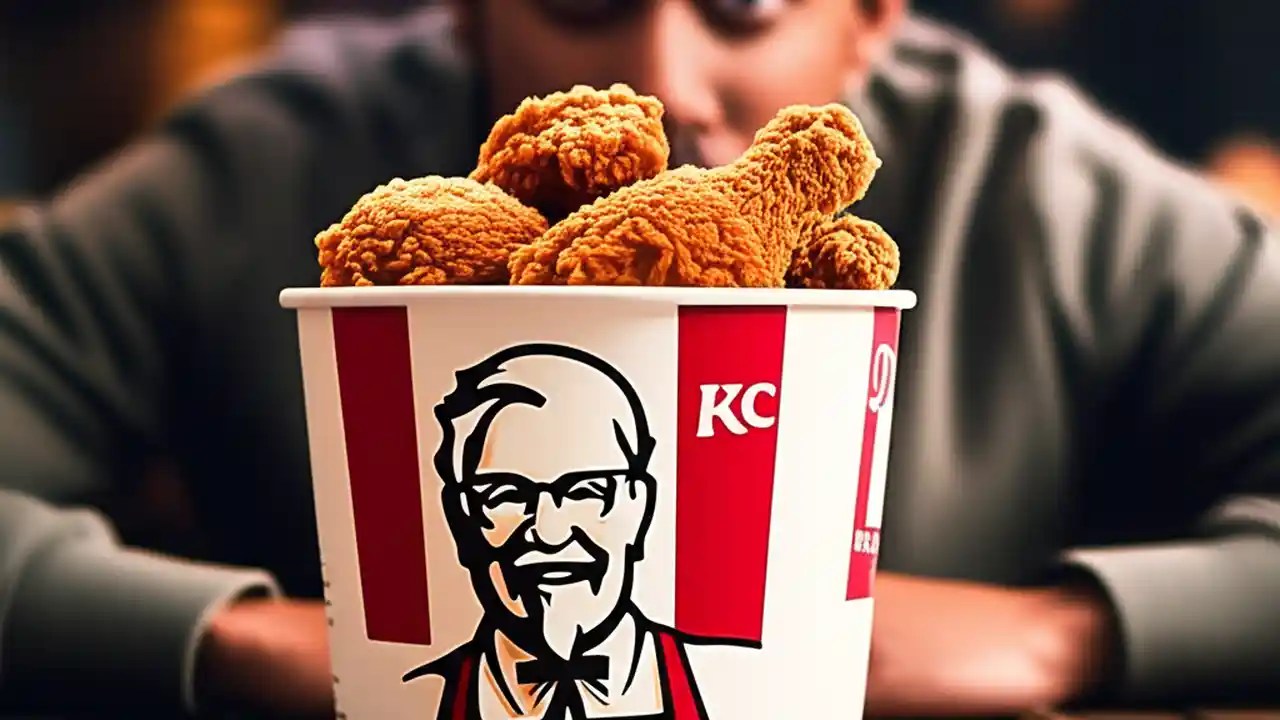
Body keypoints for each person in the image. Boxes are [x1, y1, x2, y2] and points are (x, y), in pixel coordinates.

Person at [0, 0, 1277, 718]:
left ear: (871, 16)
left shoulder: (1046, 194)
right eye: (578, 6)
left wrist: (1067, 631)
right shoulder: (261, 169)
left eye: (745, 13)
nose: (667, 86)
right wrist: (272, 647)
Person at [404, 343, 703, 719]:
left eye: (585, 490)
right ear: (461, 520)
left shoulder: (732, 677)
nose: (549, 532)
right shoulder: (406, 696)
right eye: (506, 494)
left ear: (639, 507)